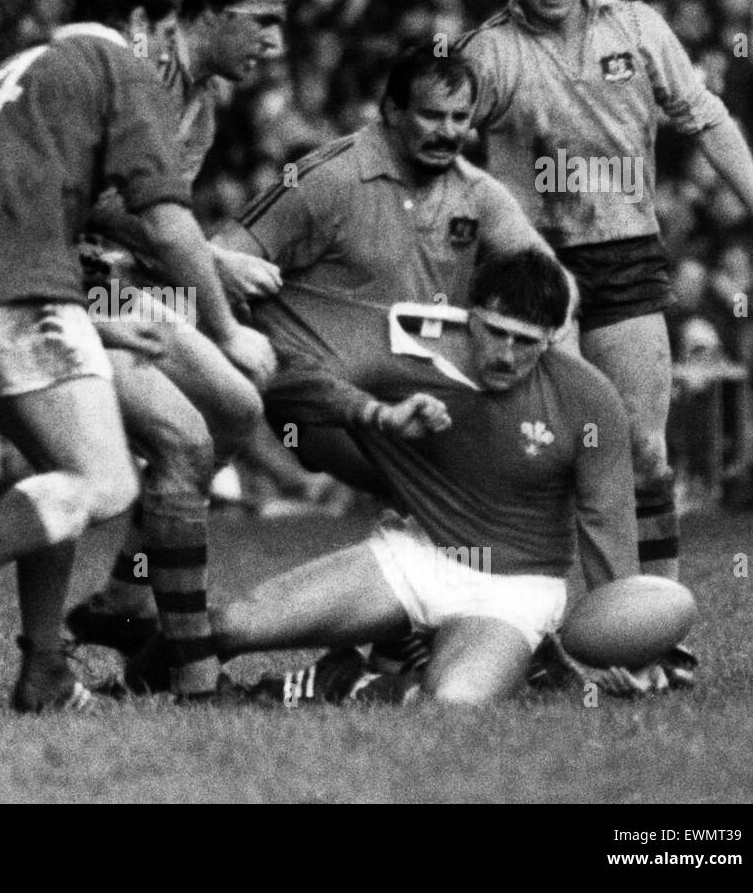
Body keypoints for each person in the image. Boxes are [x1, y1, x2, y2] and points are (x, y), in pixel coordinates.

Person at [0, 0, 275, 711]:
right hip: (27, 289)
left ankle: (46, 667)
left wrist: (105, 328)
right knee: (108, 480)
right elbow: (160, 217)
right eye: (159, 36)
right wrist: (224, 324)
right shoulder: (118, 67)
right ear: (140, 22)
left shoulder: (7, 77)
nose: (160, 57)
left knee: (63, 469)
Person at [454, 0, 753, 581]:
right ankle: (541, 620)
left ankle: (652, 624)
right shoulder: (485, 53)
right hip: (532, 267)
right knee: (552, 449)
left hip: (627, 251)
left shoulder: (638, 27)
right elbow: (434, 143)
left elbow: (706, 118)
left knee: (643, 448)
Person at [204, 249, 655, 705]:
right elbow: (284, 380)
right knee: (227, 627)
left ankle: (351, 681)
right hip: (415, 554)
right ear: (469, 316)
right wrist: (376, 414)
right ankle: (153, 684)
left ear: (555, 336)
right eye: (495, 332)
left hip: (515, 590)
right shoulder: (402, 346)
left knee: (453, 704)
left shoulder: (590, 399)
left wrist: (630, 653)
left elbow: (607, 523)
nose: (505, 355)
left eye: (526, 342)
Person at [64, 0, 290, 695]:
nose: (274, 42)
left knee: (235, 408)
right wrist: (218, 280)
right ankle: (191, 674)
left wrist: (203, 262)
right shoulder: (147, 75)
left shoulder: (205, 100)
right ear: (208, 14)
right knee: (189, 440)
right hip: (68, 283)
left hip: (117, 282)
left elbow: (158, 225)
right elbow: (101, 202)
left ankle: (125, 598)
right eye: (261, 21)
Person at [214, 42, 554, 490]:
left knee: (521, 459)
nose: (448, 131)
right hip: (317, 400)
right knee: (453, 486)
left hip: (417, 388)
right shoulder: (328, 178)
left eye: (459, 118)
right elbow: (215, 257)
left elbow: (549, 284)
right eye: (432, 116)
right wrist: (237, 338)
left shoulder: (478, 193)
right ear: (392, 111)